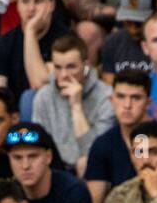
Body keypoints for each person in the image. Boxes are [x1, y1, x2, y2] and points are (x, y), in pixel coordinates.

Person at [32, 34, 115, 176]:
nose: (63, 75)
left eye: (71, 67)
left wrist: (76, 107)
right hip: (53, 172)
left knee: (84, 163)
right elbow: (39, 147)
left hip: (93, 171)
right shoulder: (43, 97)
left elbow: (96, 153)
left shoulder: (106, 97)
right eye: (58, 67)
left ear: (86, 65)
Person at [84, 69, 157, 203]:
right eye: (120, 97)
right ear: (111, 100)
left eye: (136, 98)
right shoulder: (102, 145)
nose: (127, 105)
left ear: (148, 103)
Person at [0, 0, 73, 101]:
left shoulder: (67, 40)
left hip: (54, 109)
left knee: (29, 98)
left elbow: (39, 86)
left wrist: (30, 31)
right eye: (25, 1)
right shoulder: (4, 43)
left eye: (38, 1)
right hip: (15, 115)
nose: (31, 8)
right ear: (18, 6)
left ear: (51, 5)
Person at [98, 0, 154, 83]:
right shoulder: (112, 42)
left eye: (138, 23)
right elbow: (109, 85)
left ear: (152, 15)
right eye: (128, 22)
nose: (133, 29)